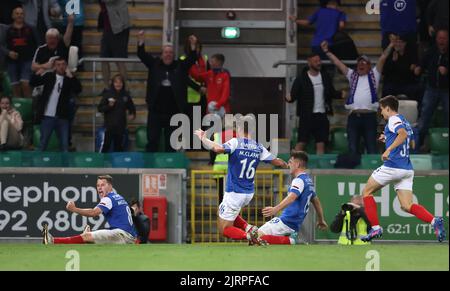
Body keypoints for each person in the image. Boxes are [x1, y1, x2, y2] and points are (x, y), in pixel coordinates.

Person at [360, 95, 446, 242]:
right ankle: (434, 221)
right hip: (406, 170)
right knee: (407, 206)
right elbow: (409, 141)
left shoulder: (393, 120)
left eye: (382, 110)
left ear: (388, 108)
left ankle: (375, 228)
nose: (381, 113)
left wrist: (388, 150)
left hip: (393, 166)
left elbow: (402, 134)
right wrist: (387, 139)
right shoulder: (404, 121)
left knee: (366, 192)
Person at [194, 116, 289, 245]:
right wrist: (286, 164)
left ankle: (249, 236)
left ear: (239, 128)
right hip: (248, 193)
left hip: (234, 192)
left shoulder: (235, 142)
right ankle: (248, 228)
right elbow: (276, 161)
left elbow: (217, 149)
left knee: (225, 229)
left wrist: (203, 138)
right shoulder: (258, 146)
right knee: (221, 210)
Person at [321, 37, 393, 154]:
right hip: (354, 117)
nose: (361, 64)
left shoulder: (374, 74)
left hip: (369, 117)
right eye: (359, 62)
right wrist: (327, 51)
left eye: (364, 63)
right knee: (352, 148)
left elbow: (383, 57)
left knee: (371, 147)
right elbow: (338, 63)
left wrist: (391, 45)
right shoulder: (352, 75)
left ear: (369, 66)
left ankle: (371, 171)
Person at [137, 32, 198, 152]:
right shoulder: (154, 64)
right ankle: (150, 168)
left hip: (174, 111)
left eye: (170, 53)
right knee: (152, 140)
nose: (168, 55)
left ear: (173, 55)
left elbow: (192, 58)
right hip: (155, 110)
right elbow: (142, 54)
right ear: (161, 54)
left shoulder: (179, 66)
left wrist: (193, 46)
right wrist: (141, 41)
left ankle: (170, 169)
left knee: (171, 143)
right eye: (166, 52)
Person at [255, 151, 327, 245]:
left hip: (286, 221)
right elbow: (316, 202)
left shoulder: (299, 180)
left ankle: (291, 240)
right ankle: (288, 238)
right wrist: (321, 220)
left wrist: (275, 209)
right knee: (261, 239)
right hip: (293, 223)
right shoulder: (308, 181)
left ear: (297, 164)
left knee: (256, 237)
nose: (288, 164)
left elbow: (292, 197)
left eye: (290, 162)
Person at [42, 175, 137, 244]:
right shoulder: (118, 197)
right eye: (98, 185)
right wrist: (133, 209)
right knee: (91, 239)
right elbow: (129, 210)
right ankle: (86, 239)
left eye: (102, 185)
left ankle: (53, 241)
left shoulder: (108, 199)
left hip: (123, 235)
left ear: (110, 186)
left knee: (87, 236)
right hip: (127, 235)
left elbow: (94, 213)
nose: (99, 188)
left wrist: (74, 209)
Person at [287, 53, 343, 153]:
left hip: (321, 115)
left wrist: (341, 94)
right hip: (306, 116)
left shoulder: (325, 77)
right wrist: (288, 98)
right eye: (316, 61)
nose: (318, 63)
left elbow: (331, 92)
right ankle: (292, 164)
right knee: (301, 143)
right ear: (309, 63)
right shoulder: (301, 79)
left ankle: (319, 167)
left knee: (321, 143)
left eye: (319, 61)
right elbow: (293, 96)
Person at [29, 57, 81, 152]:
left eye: (63, 64)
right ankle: (37, 165)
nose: (61, 67)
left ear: (66, 66)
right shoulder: (49, 76)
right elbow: (33, 83)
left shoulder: (68, 80)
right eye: (58, 64)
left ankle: (65, 166)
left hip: (62, 117)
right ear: (55, 67)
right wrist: (37, 73)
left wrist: (71, 76)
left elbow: (78, 89)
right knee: (43, 143)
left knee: (64, 145)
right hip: (47, 116)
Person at [415, 28, 448, 150]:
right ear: (436, 39)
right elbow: (422, 63)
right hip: (432, 88)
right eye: (440, 38)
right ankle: (418, 144)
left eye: (444, 38)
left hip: (447, 90)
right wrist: (418, 68)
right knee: (424, 117)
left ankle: (445, 145)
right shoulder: (431, 51)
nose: (442, 40)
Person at [3, 6, 39, 98]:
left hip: (27, 60)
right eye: (17, 13)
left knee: (25, 84)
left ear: (24, 15)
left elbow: (38, 44)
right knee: (15, 86)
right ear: (12, 16)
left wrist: (36, 59)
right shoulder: (7, 29)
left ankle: (30, 108)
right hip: (11, 62)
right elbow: (1, 45)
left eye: (21, 13)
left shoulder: (31, 28)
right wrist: (8, 53)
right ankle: (18, 109)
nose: (19, 15)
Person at [98, 74, 136, 153]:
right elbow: (100, 108)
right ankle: (102, 164)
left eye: (120, 82)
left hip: (121, 126)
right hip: (109, 126)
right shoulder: (108, 94)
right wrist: (109, 106)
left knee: (118, 147)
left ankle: (118, 164)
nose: (118, 84)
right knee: (106, 146)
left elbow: (131, 107)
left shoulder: (126, 95)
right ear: (113, 83)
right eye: (116, 82)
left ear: (123, 84)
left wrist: (132, 113)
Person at [98, 0, 130, 90]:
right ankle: (106, 88)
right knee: (103, 58)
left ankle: (125, 89)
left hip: (119, 27)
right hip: (107, 27)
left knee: (119, 60)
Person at [382, 34, 421, 101]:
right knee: (386, 89)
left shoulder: (411, 54)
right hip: (393, 84)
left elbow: (415, 71)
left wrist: (415, 68)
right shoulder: (390, 54)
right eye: (396, 42)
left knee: (417, 89)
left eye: (400, 42)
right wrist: (393, 61)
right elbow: (384, 72)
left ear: (405, 43)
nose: (398, 44)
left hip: (407, 83)